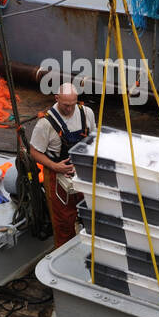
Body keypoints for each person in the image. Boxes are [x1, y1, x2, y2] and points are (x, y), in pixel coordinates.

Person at [29, 82, 95, 246]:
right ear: (57, 98)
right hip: (57, 177)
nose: (70, 109)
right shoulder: (45, 123)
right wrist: (55, 166)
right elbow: (34, 152)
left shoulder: (86, 113)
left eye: (73, 104)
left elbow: (93, 139)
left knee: (91, 213)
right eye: (66, 105)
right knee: (63, 221)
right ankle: (64, 253)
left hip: (83, 172)